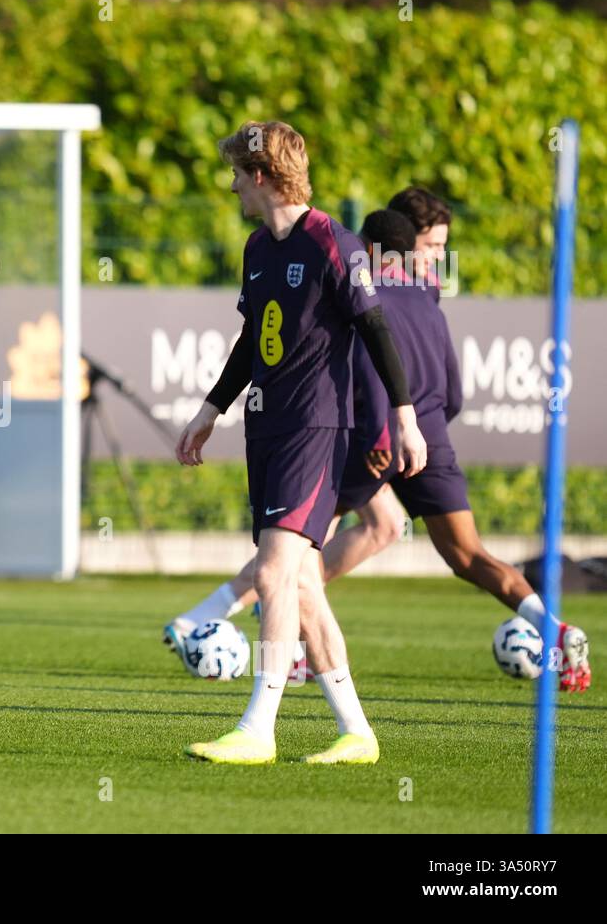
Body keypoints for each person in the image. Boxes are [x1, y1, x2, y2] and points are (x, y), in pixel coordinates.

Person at [169, 197, 591, 692]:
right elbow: (453, 390)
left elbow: (369, 365)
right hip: (429, 438)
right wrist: (426, 434)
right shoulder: (427, 299)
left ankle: (277, 648)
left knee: (296, 541)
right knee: (468, 556)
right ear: (409, 249)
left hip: (379, 438)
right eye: (430, 246)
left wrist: (383, 436)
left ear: (366, 249)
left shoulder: (363, 289)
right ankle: (555, 630)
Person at [176, 121, 427, 765]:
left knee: (273, 572)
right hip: (268, 428)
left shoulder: (334, 244)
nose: (231, 184)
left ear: (260, 176)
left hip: (316, 428)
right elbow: (247, 343)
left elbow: (375, 330)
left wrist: (404, 416)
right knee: (305, 584)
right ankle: (357, 732)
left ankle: (259, 726)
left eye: (236, 172)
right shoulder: (258, 248)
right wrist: (210, 409)